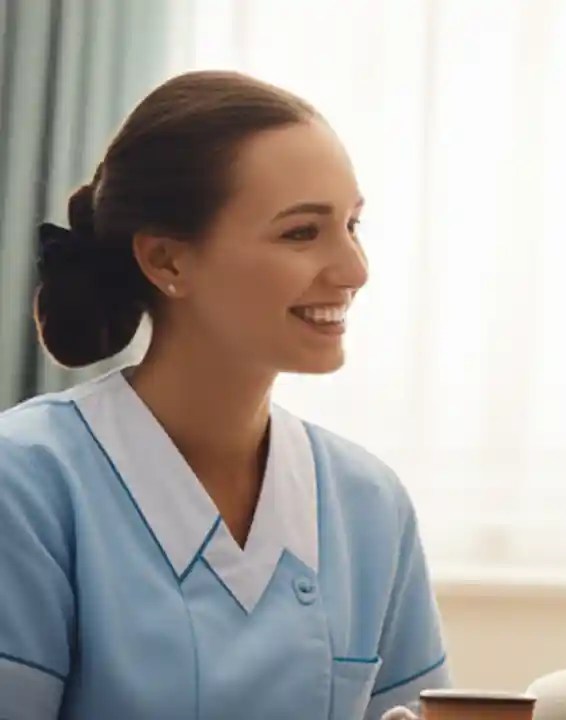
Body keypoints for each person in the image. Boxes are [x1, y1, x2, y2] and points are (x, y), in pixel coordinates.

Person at [0, 71, 448, 719]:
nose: (355, 269)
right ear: (168, 262)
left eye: (352, 225)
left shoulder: (369, 504)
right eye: (302, 232)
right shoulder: (27, 486)